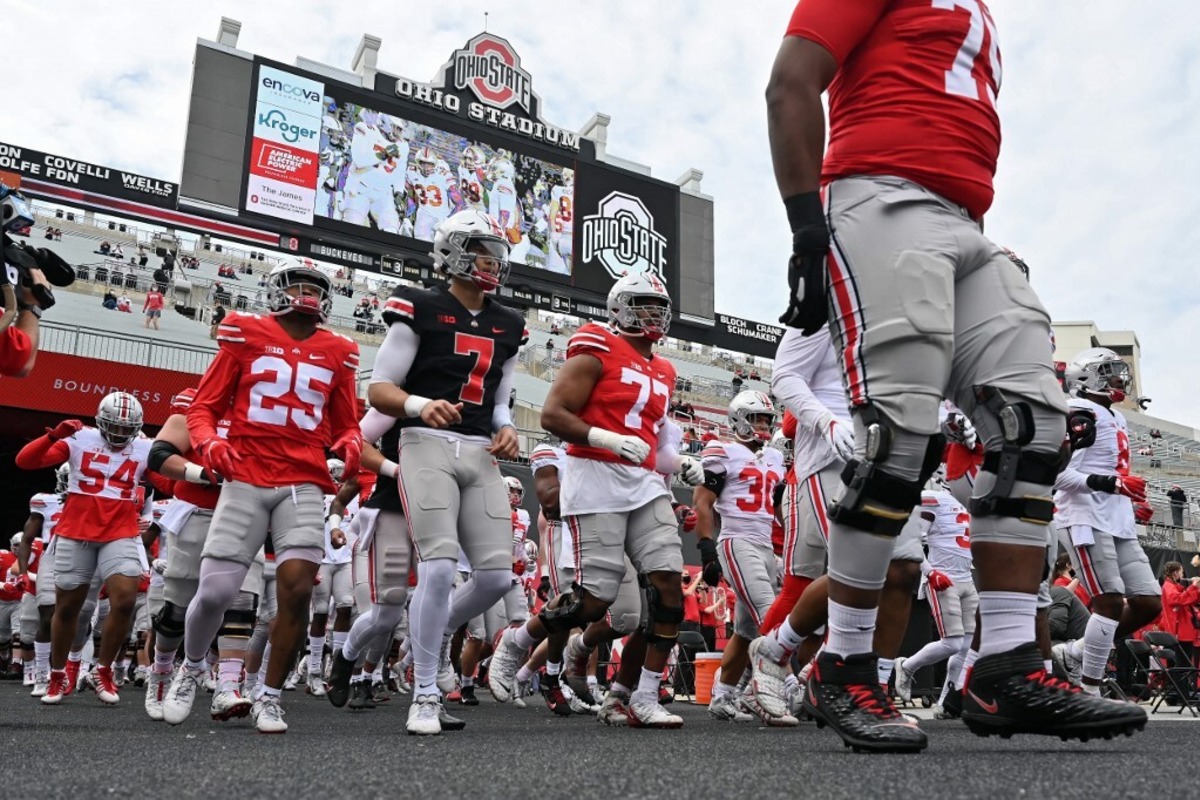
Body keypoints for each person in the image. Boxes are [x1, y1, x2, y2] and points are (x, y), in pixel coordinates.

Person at [765, 0, 1145, 749]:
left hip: (966, 219)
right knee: (898, 439)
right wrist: (807, 227)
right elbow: (790, 82)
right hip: (878, 196)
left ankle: (1006, 666)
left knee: (1034, 428)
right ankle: (842, 666)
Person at [488, 272, 704, 729]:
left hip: (644, 483)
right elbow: (552, 414)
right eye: (644, 304)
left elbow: (657, 444)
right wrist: (604, 437)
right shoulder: (596, 344)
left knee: (667, 589)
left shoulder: (666, 368)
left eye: (659, 306)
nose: (655, 314)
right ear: (619, 306)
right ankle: (518, 641)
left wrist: (680, 461)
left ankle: (643, 696)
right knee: (593, 600)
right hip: (596, 476)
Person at [161, 258, 362, 734]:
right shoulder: (243, 331)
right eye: (299, 284)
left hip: (303, 479)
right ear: (276, 289)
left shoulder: (340, 349)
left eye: (316, 286)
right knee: (215, 591)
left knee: (295, 592)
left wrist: (351, 441)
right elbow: (205, 407)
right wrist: (210, 442)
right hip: (247, 472)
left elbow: (346, 421)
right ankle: (191, 667)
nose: (308, 293)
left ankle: (268, 697)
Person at [353, 209, 523, 736]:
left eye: (496, 253)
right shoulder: (420, 304)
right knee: (441, 568)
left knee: (496, 576)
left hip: (477, 450)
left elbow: (499, 398)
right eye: (480, 250)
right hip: (424, 443)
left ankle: (422, 642)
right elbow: (379, 388)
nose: (491, 262)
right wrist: (421, 404)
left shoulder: (509, 321)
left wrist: (507, 426)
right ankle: (425, 690)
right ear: (451, 251)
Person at [15, 393, 151, 705]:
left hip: (119, 530)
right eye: (113, 427)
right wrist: (55, 435)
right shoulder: (80, 438)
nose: (118, 434)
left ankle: (102, 670)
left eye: (125, 428)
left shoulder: (145, 446)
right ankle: (58, 673)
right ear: (100, 422)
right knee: (67, 608)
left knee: (126, 600)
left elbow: (168, 480)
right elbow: (25, 461)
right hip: (76, 531)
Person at [1051, 348, 1162, 694]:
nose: (1119, 377)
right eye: (1110, 370)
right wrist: (1112, 484)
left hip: (1116, 520)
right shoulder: (1079, 411)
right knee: (1109, 602)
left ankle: (1076, 652)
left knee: (1148, 603)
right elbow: (1057, 475)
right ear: (1087, 377)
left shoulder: (1114, 416)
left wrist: (1130, 500)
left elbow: (1113, 472)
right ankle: (1089, 689)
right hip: (1084, 517)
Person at [694, 391, 787, 724]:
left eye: (766, 419)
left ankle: (723, 696)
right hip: (737, 541)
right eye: (756, 418)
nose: (762, 425)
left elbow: (777, 508)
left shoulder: (775, 458)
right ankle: (781, 689)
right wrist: (706, 549)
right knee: (771, 614)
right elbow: (702, 501)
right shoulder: (724, 451)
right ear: (738, 419)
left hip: (765, 546)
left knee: (746, 629)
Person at [1158, 561, 1200, 668]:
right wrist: (1193, 586)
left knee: (1184, 665)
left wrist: (1196, 589)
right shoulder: (1168, 587)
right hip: (1178, 633)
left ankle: (1180, 684)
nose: (1183, 575)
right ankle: (1179, 685)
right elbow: (1178, 599)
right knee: (1181, 666)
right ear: (1175, 573)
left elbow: (1191, 600)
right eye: (1181, 572)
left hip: (1182, 632)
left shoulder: (1175, 587)